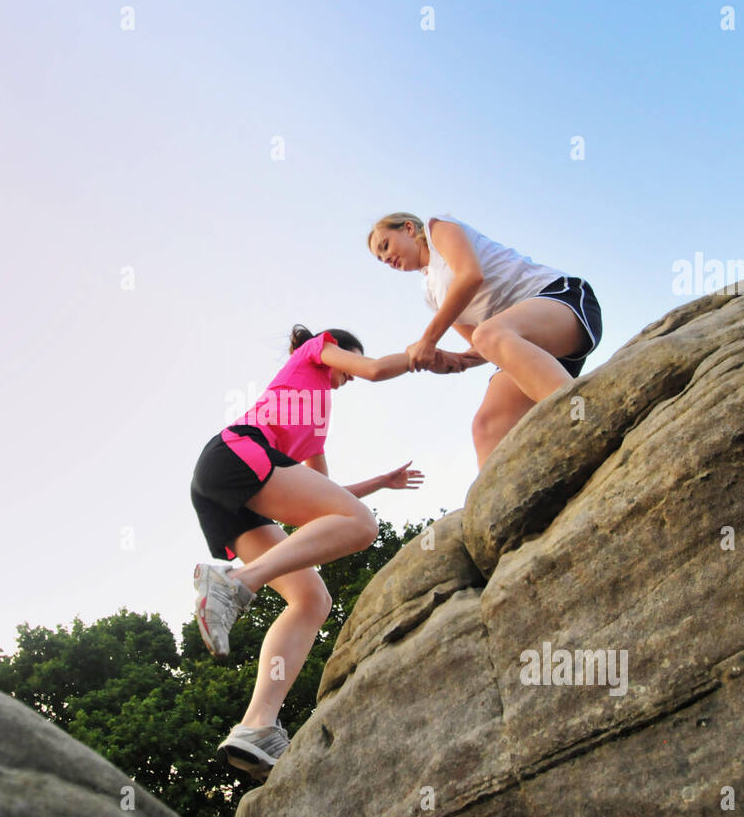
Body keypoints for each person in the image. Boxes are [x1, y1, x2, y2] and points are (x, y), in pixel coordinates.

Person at [189, 324, 478, 780]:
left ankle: (255, 727)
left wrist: (382, 481)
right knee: (363, 525)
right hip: (237, 452)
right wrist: (425, 354)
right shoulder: (315, 351)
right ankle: (236, 582)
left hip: (228, 481)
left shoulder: (314, 431)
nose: (350, 379)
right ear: (339, 350)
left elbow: (325, 497)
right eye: (348, 367)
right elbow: (378, 368)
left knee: (312, 599)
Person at [368, 212, 603, 468]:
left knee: (489, 333)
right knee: (486, 426)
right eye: (381, 259)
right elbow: (481, 348)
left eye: (385, 245)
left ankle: (584, 415)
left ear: (409, 228)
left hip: (562, 301)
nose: (387, 259)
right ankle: (502, 505)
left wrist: (428, 339)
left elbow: (470, 276)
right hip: (524, 347)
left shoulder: (439, 229)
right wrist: (448, 361)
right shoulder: (432, 295)